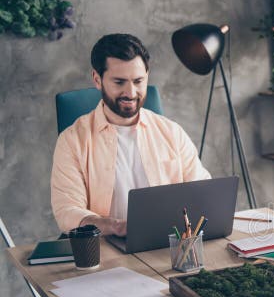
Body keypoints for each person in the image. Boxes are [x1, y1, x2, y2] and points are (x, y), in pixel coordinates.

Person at [51, 33, 211, 236]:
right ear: (97, 80)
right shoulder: (72, 140)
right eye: (119, 82)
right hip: (106, 251)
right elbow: (67, 212)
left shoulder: (172, 132)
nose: (131, 92)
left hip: (168, 246)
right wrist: (115, 226)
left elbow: (203, 190)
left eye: (138, 81)